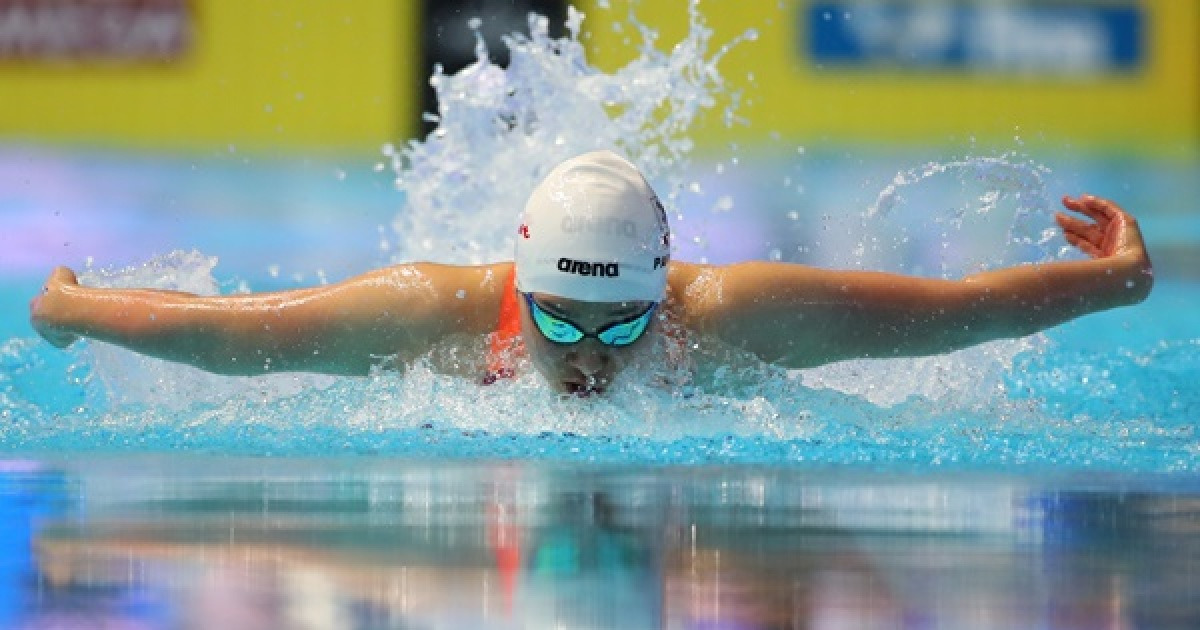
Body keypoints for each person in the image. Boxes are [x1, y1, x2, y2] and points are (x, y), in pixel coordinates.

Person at [29, 150, 1153, 396]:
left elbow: (952, 316)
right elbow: (235, 332)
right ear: (518, 291)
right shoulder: (433, 310)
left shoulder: (732, 314)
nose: (589, 358)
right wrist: (70, 307)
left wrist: (1115, 283)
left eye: (623, 326)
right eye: (559, 322)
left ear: (661, 293)